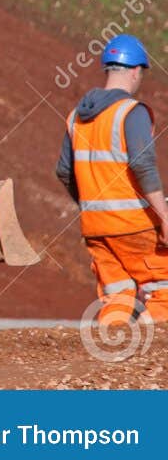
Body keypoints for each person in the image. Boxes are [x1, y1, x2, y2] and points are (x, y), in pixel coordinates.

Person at [55, 34, 168, 325]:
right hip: (134, 225)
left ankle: (114, 355)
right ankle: (151, 357)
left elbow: (64, 172)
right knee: (163, 289)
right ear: (135, 71)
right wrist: (163, 215)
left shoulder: (76, 118)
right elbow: (143, 164)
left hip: (96, 228)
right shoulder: (131, 112)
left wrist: (93, 205)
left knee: (117, 298)